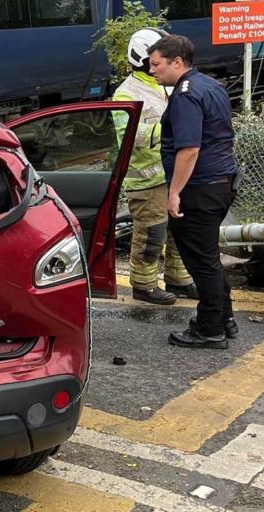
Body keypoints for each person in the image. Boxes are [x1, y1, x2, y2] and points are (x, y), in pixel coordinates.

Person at [148, 34, 240, 349]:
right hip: (222, 184)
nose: (152, 71)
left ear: (177, 62)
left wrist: (174, 193)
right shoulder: (211, 85)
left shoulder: (186, 94)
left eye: (156, 64)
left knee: (202, 262)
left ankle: (210, 329)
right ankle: (223, 319)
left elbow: (189, 149)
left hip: (198, 189)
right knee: (208, 257)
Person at [112, 28, 196, 305]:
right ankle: (144, 285)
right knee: (151, 234)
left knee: (179, 230)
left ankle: (178, 279)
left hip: (175, 175)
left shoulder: (168, 83)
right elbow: (130, 135)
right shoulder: (125, 94)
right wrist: (174, 128)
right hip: (148, 180)